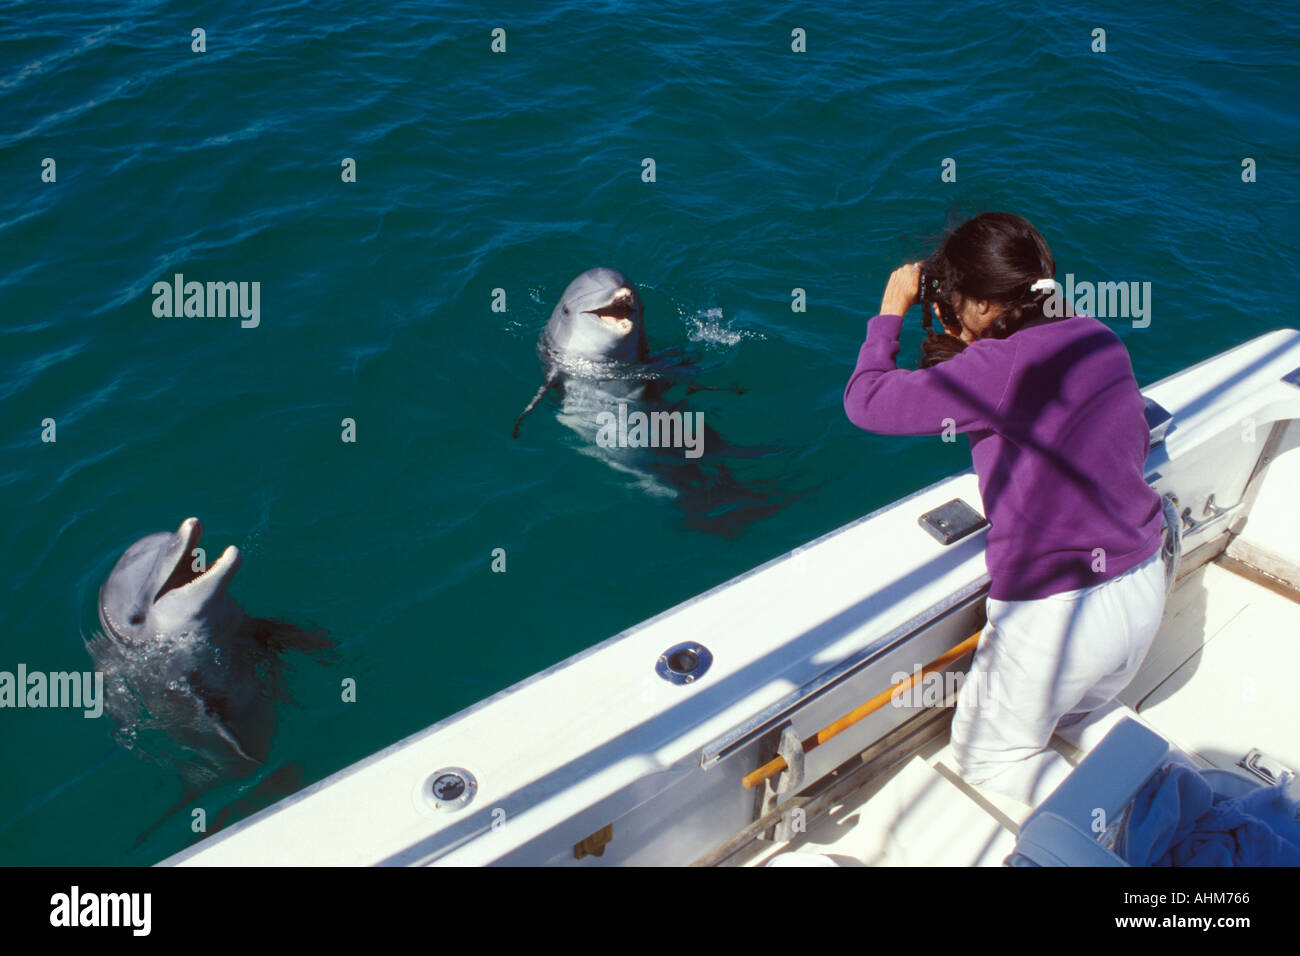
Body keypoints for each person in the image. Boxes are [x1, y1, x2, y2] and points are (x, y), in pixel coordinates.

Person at [843, 211, 1167, 805]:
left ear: (982, 302)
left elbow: (865, 401)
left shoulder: (997, 367)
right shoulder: (1097, 333)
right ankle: (1176, 791)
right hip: (1143, 585)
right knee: (1080, 712)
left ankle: (1157, 843)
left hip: (1062, 617)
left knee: (987, 764)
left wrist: (890, 310)